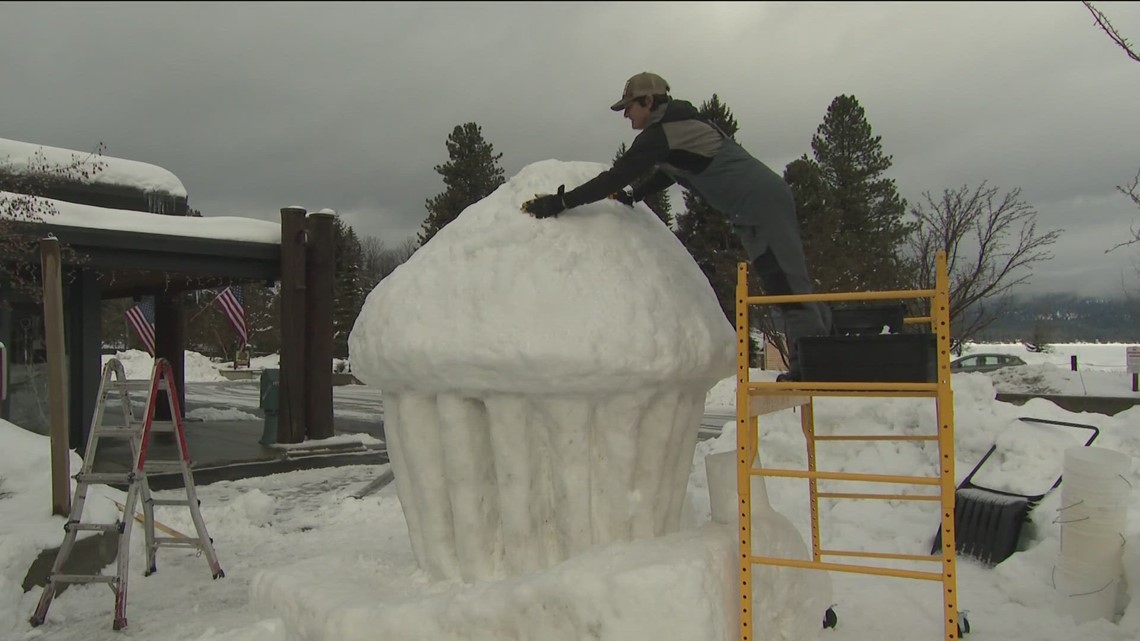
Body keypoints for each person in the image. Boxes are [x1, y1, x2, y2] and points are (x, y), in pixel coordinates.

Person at [521, 72, 831, 380]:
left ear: (648, 101)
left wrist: (561, 203)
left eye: (629, 107)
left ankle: (814, 365)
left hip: (762, 201)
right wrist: (637, 194)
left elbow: (616, 176)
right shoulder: (676, 128)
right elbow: (673, 170)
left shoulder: (663, 133)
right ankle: (814, 357)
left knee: (785, 282)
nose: (626, 114)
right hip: (751, 207)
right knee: (779, 281)